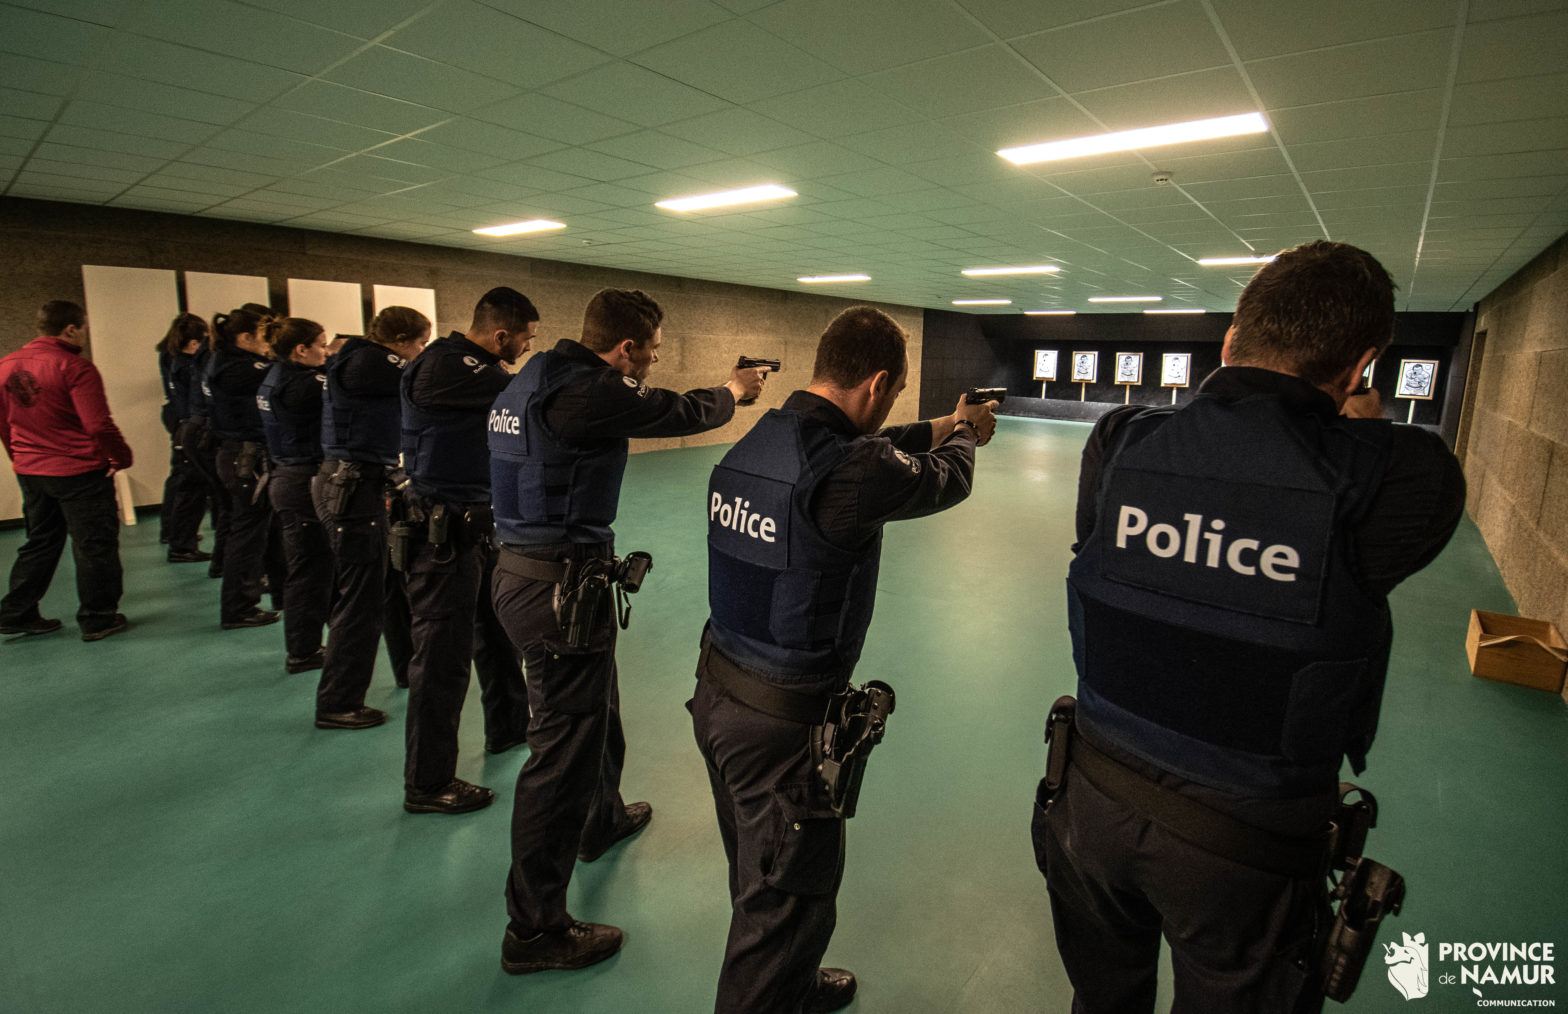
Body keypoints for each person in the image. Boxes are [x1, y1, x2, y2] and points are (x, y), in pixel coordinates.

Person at [1035, 241, 1466, 1013]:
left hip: (1089, 800)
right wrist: (1353, 404)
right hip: (1245, 846)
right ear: (1362, 364)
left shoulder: (1119, 442)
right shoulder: (1395, 478)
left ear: (1232, 337)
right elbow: (1390, 472)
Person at [691, 306, 996, 1013]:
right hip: (783, 729)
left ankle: (794, 985)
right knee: (782, 906)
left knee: (764, 882)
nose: (889, 408)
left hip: (719, 695)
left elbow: (875, 448)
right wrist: (968, 437)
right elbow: (943, 478)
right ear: (880, 381)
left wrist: (941, 422)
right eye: (891, 395)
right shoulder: (853, 471)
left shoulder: (762, 443)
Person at [488, 287, 768, 975]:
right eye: (650, 351)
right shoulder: (593, 391)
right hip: (556, 587)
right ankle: (534, 930)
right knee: (559, 756)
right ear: (625, 350)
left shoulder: (528, 379)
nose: (651, 361)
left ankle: (600, 818)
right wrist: (735, 389)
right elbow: (683, 411)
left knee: (594, 709)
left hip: (527, 571)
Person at [397, 287, 534, 814]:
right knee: (441, 661)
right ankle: (427, 784)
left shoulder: (465, 366)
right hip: (443, 538)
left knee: (498, 636)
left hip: (476, 529)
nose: (524, 347)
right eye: (524, 338)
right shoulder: (447, 366)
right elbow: (527, 392)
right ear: (501, 335)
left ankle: (508, 727)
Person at [312, 305, 430, 731]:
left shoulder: (361, 359)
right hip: (354, 488)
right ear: (399, 341)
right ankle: (338, 701)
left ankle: (407, 669)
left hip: (363, 482)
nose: (420, 353)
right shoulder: (372, 361)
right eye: (419, 344)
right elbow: (425, 383)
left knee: (390, 584)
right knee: (360, 598)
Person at [0, 300, 133, 641]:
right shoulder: (75, 367)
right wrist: (120, 457)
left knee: (40, 541)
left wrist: (19, 457)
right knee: (94, 546)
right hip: (78, 472)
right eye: (84, 328)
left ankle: (16, 612)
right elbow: (98, 424)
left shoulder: (5, 365)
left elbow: (3, 423)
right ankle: (98, 617)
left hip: (31, 470)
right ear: (71, 329)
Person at [258, 316, 333, 675]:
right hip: (301, 481)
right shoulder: (304, 384)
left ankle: (312, 641)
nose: (327, 351)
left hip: (285, 475)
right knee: (309, 571)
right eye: (321, 344)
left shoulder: (273, 376)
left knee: (311, 567)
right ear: (301, 350)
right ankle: (303, 651)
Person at [208, 305, 284, 630]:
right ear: (245, 338)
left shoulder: (225, 362)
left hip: (241, 454)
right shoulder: (239, 368)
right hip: (246, 458)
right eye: (265, 338)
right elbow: (283, 373)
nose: (269, 345)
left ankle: (260, 595)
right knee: (248, 534)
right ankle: (239, 607)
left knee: (255, 530)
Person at [157, 313, 212, 562]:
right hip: (189, 422)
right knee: (191, 487)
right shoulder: (188, 366)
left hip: (178, 419)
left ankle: (173, 533)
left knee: (180, 480)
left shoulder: (168, 356)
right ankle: (181, 544)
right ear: (194, 343)